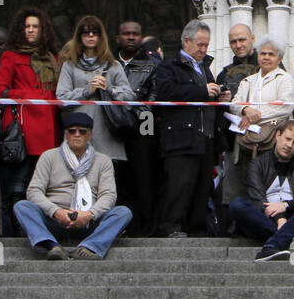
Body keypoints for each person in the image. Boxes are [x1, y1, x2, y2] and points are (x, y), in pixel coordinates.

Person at [14, 112, 133, 259]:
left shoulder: (103, 161)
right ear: (65, 133)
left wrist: (89, 214)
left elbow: (108, 195)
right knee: (22, 206)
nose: (77, 135)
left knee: (123, 212)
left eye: (82, 131)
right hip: (54, 219)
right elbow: (34, 191)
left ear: (89, 135)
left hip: (90, 221)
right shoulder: (49, 156)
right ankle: (52, 246)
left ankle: (89, 246)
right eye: (72, 131)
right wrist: (56, 212)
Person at [152, 19, 224, 237]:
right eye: (199, 45)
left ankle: (197, 228)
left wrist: (219, 96)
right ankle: (171, 225)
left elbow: (204, 96)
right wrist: (202, 90)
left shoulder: (204, 68)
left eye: (206, 45)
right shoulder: (169, 67)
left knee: (202, 187)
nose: (203, 50)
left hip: (205, 137)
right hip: (181, 138)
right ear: (186, 41)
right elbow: (166, 93)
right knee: (179, 185)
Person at [0, 7, 61, 235]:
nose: (31, 31)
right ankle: (17, 229)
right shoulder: (10, 56)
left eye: (35, 27)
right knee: (18, 183)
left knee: (42, 182)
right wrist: (24, 96)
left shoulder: (53, 57)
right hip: (22, 127)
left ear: (43, 30)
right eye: (27, 27)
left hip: (48, 127)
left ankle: (39, 228)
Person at [227, 120, 294, 261]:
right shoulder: (257, 164)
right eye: (287, 139)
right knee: (237, 204)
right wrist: (279, 219)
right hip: (265, 219)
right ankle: (289, 236)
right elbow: (257, 199)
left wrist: (286, 205)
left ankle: (273, 244)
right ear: (278, 135)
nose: (290, 145)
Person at [225, 35, 294, 205]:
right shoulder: (248, 80)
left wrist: (255, 114)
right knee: (246, 185)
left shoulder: (286, 79)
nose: (266, 57)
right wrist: (245, 109)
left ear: (280, 58)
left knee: (271, 186)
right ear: (257, 56)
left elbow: (285, 106)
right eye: (263, 53)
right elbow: (234, 103)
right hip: (246, 143)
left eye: (271, 54)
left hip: (273, 141)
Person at [56, 15, 136, 167]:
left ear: (101, 37)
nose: (91, 36)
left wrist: (110, 89)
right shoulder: (69, 66)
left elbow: (130, 97)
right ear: (79, 37)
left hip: (107, 137)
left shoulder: (113, 66)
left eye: (95, 32)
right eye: (86, 33)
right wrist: (87, 91)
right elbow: (61, 98)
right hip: (78, 135)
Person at [116, 20, 160, 236]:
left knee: (144, 175)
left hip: (144, 126)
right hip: (113, 128)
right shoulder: (109, 63)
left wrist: (129, 114)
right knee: (116, 178)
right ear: (118, 38)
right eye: (126, 34)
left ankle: (146, 227)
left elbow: (153, 101)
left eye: (135, 33)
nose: (131, 37)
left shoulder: (152, 64)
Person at [216, 23, 257, 94]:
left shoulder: (270, 66)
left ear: (252, 39)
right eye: (233, 42)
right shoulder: (223, 75)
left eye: (242, 40)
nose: (238, 45)